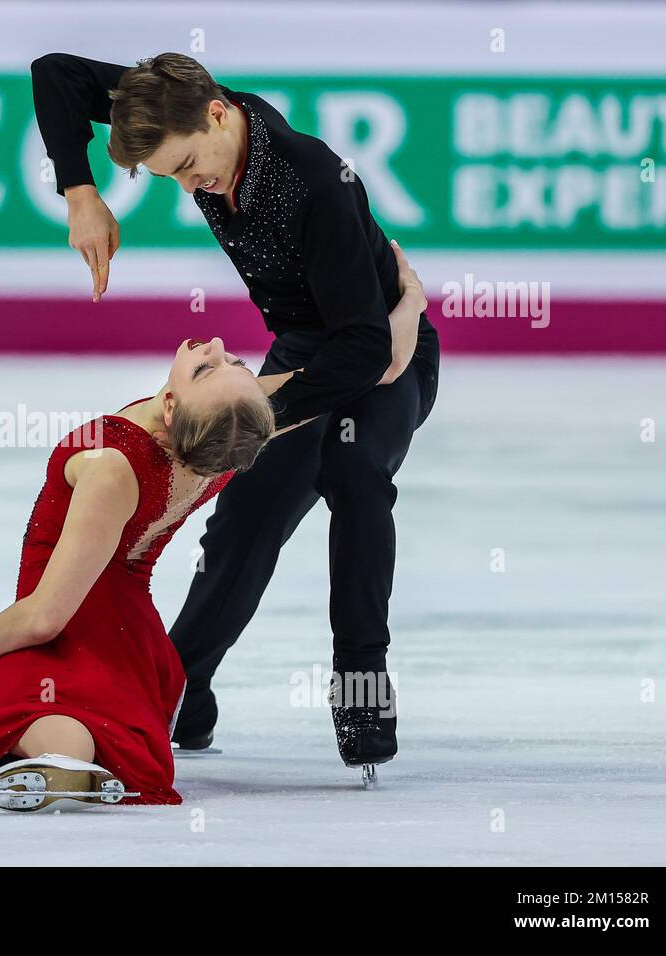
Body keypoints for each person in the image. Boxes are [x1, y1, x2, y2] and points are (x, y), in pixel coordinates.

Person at [0, 248, 428, 810]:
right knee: (86, 711)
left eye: (212, 367)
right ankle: (76, 760)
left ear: (168, 404)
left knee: (10, 716)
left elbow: (45, 616)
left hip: (74, 627)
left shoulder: (114, 464)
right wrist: (411, 303)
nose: (213, 347)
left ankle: (64, 764)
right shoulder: (233, 438)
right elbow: (377, 366)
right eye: (230, 362)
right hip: (135, 645)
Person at [30, 51, 441, 772]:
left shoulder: (313, 181)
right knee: (250, 510)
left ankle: (361, 683)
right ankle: (185, 683)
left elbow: (364, 349)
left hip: (379, 357)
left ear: (217, 115)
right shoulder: (177, 103)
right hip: (309, 352)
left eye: (190, 167)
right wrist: (79, 192)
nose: (193, 186)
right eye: (175, 179)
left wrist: (258, 406)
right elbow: (55, 73)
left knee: (354, 472)